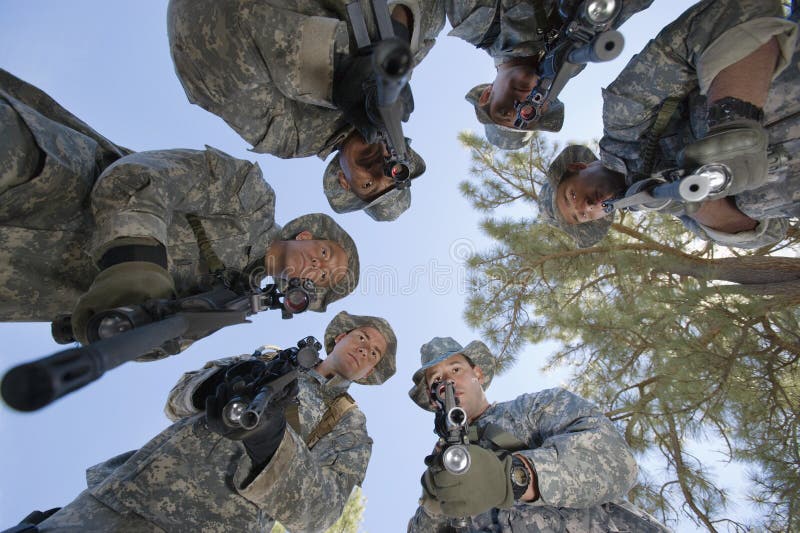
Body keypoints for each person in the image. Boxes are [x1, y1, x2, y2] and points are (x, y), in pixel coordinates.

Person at [0, 69, 359, 348]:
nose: (318, 267)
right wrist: (135, 258)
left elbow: (153, 345)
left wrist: (137, 329)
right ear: (305, 236)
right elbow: (142, 175)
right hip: (43, 176)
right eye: (325, 254)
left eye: (324, 278)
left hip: (24, 275)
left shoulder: (233, 304)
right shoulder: (252, 199)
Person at [6, 311, 397, 532]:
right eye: (363, 338)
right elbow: (178, 397)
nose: (366, 350)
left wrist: (270, 440)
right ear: (340, 337)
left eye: (375, 354)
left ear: (370, 373)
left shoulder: (349, 424)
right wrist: (217, 384)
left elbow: (322, 513)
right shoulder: (268, 357)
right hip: (124, 498)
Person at [539, 0, 798, 249]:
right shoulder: (678, 208)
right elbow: (771, 231)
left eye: (571, 196)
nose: (585, 206)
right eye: (582, 216)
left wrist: (733, 120)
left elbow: (737, 11)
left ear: (578, 167)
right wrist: (692, 202)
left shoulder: (624, 119)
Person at [167, 0, 446, 221]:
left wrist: (337, 71)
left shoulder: (292, 136)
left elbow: (201, 40)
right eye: (393, 171)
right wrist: (397, 34)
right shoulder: (401, 67)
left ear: (344, 180)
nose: (378, 171)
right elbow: (433, 10)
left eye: (368, 186)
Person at [407, 337, 669, 532]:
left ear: (478, 374)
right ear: (433, 398)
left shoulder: (533, 408)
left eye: (455, 370)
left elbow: (616, 461)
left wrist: (514, 477)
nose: (448, 382)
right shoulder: (441, 461)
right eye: (436, 380)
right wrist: (432, 504)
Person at [449, 0, 653, 150]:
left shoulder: (474, 21)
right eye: (530, 112)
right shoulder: (574, 57)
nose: (522, 102)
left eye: (505, 111)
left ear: (487, 94)